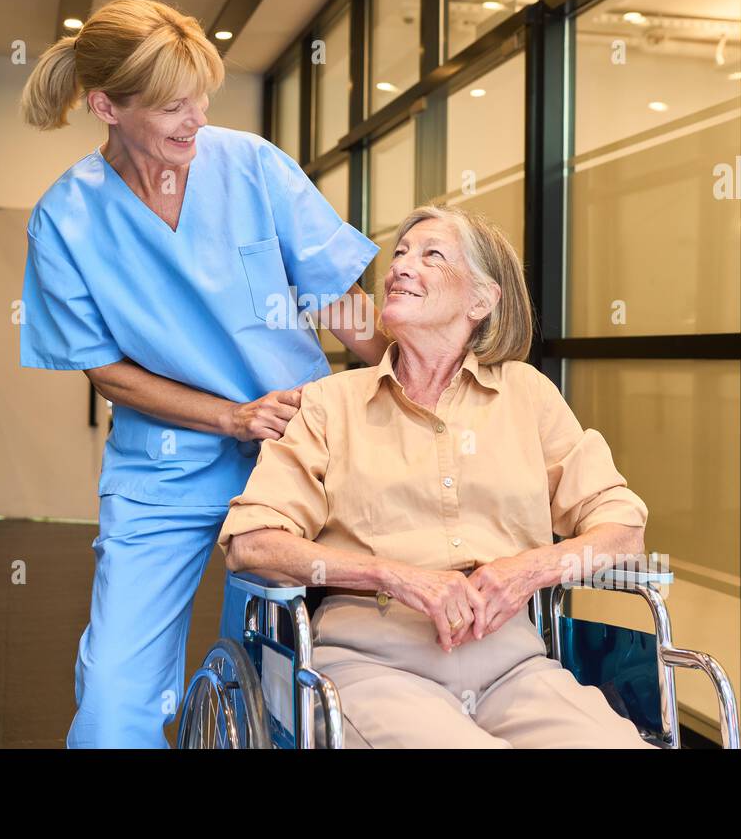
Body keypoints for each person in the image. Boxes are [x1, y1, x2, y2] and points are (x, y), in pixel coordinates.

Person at [18, 0, 386, 748]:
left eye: (202, 97)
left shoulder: (249, 165)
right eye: (172, 105)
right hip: (165, 467)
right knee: (115, 702)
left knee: (284, 678)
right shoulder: (65, 218)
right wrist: (228, 416)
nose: (197, 119)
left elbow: (343, 309)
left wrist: (433, 389)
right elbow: (106, 371)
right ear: (105, 107)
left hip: (295, 457)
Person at [218, 205, 659, 748]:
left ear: (481, 300)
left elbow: (623, 530)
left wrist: (528, 570)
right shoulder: (330, 405)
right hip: (373, 668)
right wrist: (394, 576)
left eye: (432, 256)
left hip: (515, 670)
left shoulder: (526, 395)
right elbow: (252, 544)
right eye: (400, 254)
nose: (402, 266)